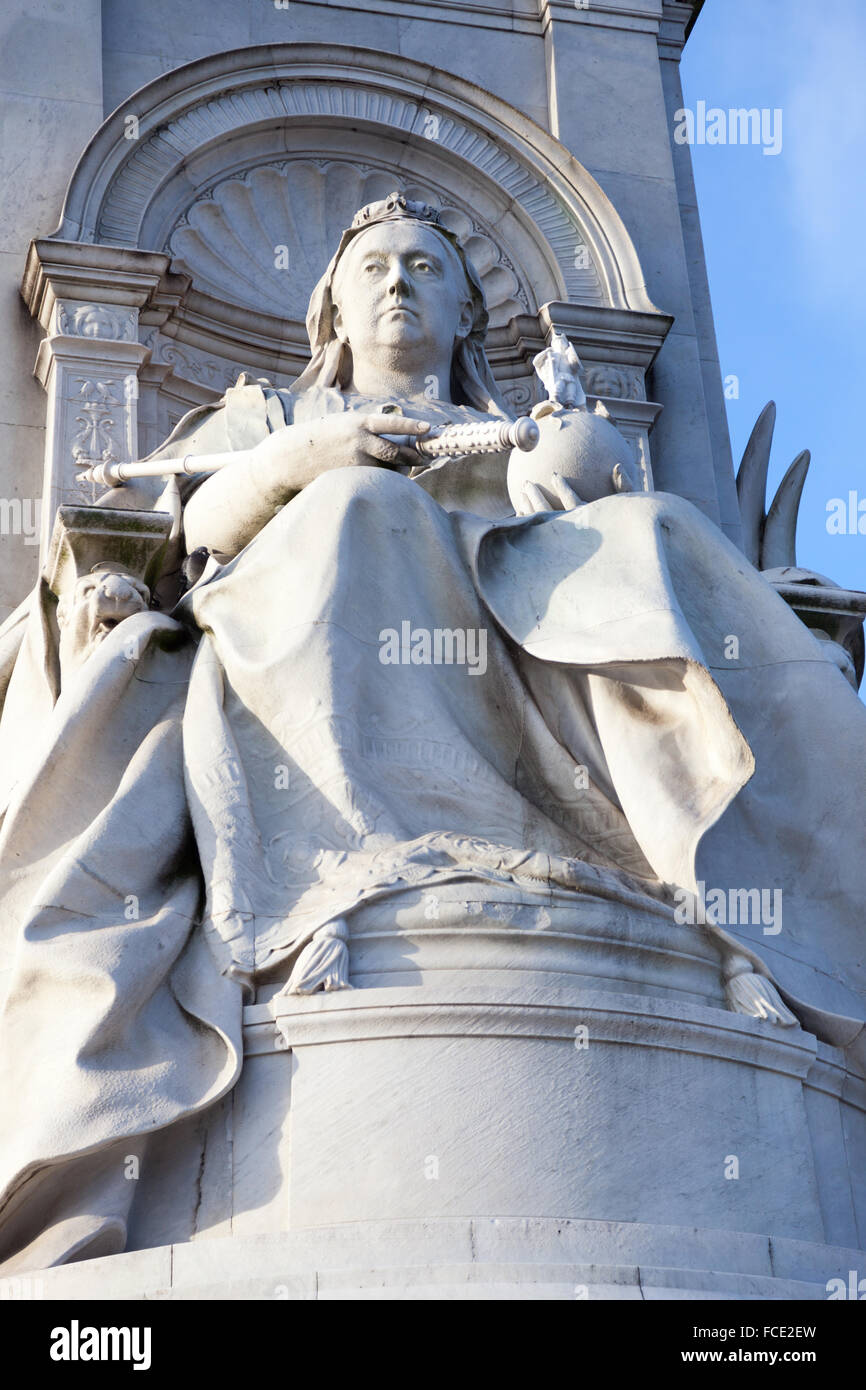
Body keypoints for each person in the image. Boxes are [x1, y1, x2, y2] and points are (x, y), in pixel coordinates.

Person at [0, 192, 864, 1273]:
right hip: (322, 599)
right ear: (332, 315)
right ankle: (336, 889)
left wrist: (573, 468)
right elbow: (189, 532)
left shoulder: (510, 421)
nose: (397, 281)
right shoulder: (267, 417)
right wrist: (303, 462)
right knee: (364, 509)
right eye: (372, 267)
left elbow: (578, 499)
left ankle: (747, 928)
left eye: (424, 265)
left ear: (464, 315)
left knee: (655, 534)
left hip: (530, 625)